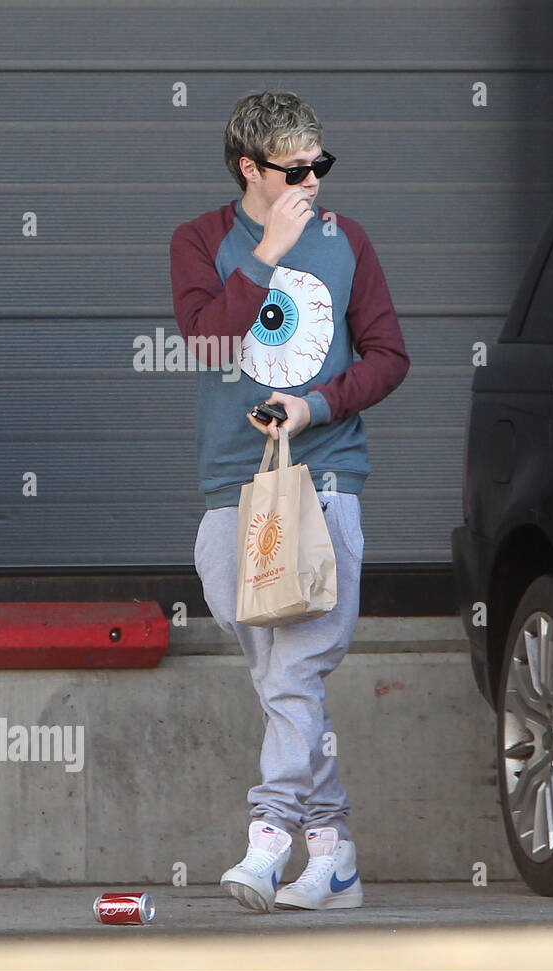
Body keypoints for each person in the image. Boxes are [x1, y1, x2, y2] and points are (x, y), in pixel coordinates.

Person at [169, 89, 408, 912]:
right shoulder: (201, 241)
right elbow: (206, 340)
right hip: (231, 487)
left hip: (324, 479)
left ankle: (269, 839)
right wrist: (267, 251)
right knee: (282, 682)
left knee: (298, 665)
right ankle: (334, 851)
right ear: (251, 169)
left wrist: (318, 406)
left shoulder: (349, 242)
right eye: (295, 168)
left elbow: (389, 355)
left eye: (320, 165)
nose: (313, 181)